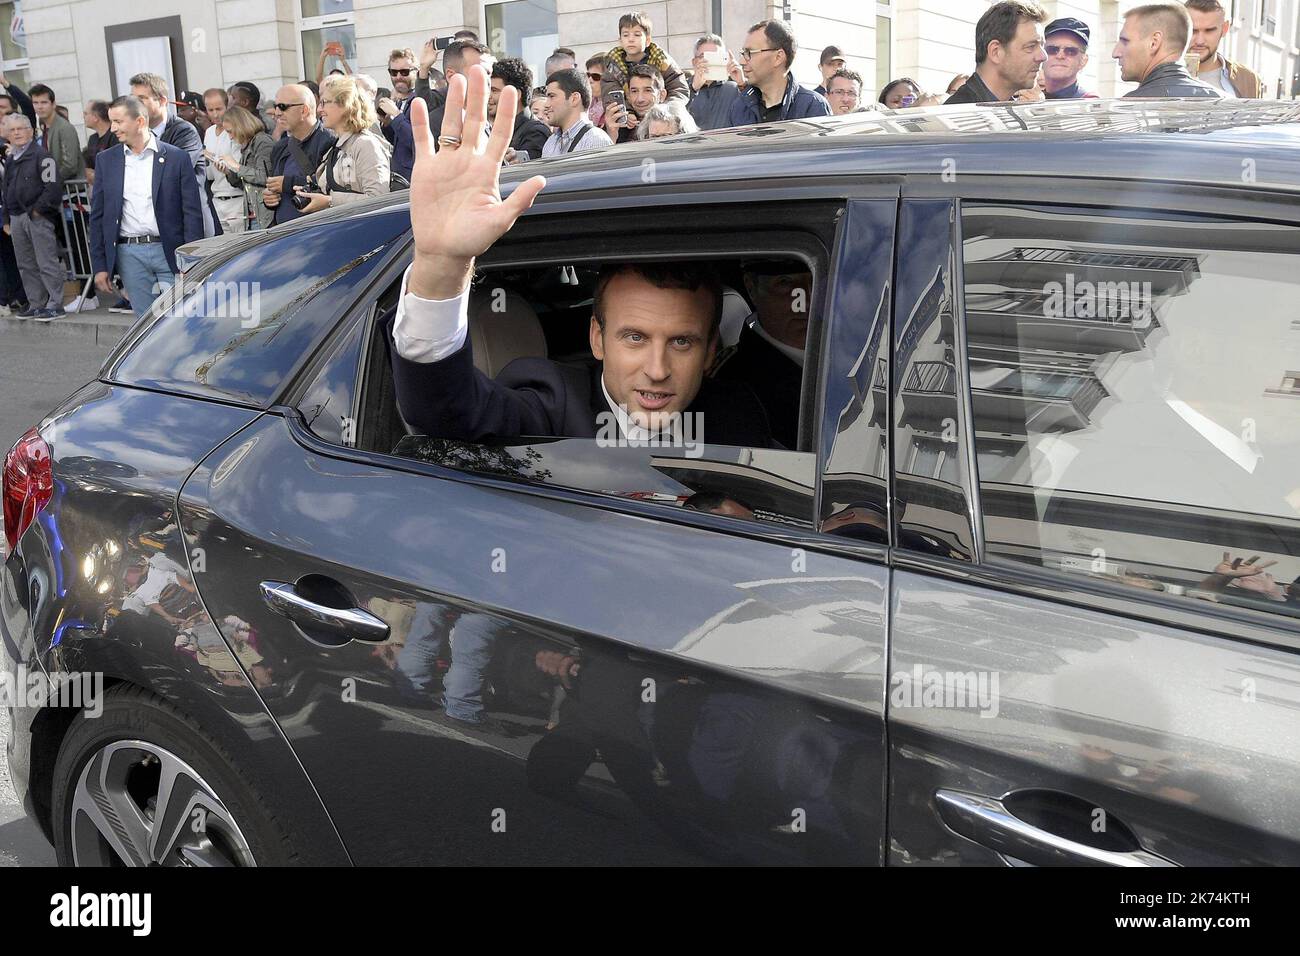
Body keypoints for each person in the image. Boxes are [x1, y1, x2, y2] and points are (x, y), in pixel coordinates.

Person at [389, 66, 772, 451]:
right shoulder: (553, 405)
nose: (657, 370)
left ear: (710, 353)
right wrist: (442, 268)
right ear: (597, 338)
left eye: (682, 343)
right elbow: (446, 411)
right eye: (635, 338)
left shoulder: (735, 415)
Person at [88, 95, 204, 319]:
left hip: (170, 250)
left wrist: (190, 259)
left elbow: (191, 213)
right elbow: (98, 216)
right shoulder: (106, 160)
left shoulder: (176, 157)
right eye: (111, 122)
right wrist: (100, 265)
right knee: (145, 323)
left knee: (181, 317)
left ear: (140, 121)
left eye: (118, 122)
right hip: (129, 254)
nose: (113, 129)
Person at [712, 262, 811, 449]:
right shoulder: (733, 388)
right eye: (785, 282)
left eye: (814, 280)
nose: (805, 299)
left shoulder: (850, 346)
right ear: (751, 288)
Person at [130, 72, 218, 237]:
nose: (134, 105)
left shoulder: (184, 131)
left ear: (162, 100)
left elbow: (171, 173)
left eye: (141, 99)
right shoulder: (133, 134)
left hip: (189, 225)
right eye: (132, 99)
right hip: (159, 228)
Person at [292, 75, 391, 214]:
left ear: (345, 104)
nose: (319, 110)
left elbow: (378, 199)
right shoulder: (336, 147)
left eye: (324, 103)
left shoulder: (365, 144)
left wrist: (330, 201)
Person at [1, 114, 65, 320]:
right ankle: (37, 304)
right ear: (7, 134)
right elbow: (6, 189)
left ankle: (55, 304)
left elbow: (53, 187)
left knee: (46, 261)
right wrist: (6, 219)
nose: (17, 133)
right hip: (16, 218)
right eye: (13, 130)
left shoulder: (42, 156)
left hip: (37, 216)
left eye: (21, 128)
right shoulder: (11, 159)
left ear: (31, 131)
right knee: (25, 263)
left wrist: (37, 211)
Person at [728, 19, 832, 126]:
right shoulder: (740, 108)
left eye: (749, 53)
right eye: (743, 53)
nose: (742, 61)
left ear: (778, 57)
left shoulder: (812, 107)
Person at [946, 1, 1048, 104]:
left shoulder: (1015, 109)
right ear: (995, 52)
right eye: (1030, 46)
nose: (1043, 56)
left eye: (1042, 46)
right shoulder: (957, 114)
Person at [1115, 2, 1223, 98]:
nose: (1115, 53)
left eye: (1125, 41)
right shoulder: (1224, 103)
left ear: (1154, 43)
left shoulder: (1126, 110)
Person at [263, 84, 335, 226]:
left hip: (318, 230)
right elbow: (276, 189)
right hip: (285, 234)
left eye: (283, 107)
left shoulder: (329, 141)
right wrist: (270, 199)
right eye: (275, 106)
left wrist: (287, 183)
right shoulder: (280, 147)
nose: (277, 112)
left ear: (304, 110)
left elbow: (331, 187)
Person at [1185, 0, 1263, 97]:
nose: (1200, 41)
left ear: (1225, 28)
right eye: (1193, 30)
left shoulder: (1248, 79)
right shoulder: (1161, 74)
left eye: (1209, 31)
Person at [605, 11, 689, 102]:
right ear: (620, 41)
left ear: (648, 40)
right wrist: (629, 113)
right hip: (627, 114)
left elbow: (679, 90)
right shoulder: (613, 66)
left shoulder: (662, 61)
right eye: (626, 35)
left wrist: (665, 110)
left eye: (637, 35)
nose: (630, 39)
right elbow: (610, 94)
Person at [216, 105, 275, 230]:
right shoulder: (247, 145)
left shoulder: (262, 142)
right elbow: (243, 182)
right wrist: (227, 172)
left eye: (230, 131)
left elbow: (265, 177)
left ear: (240, 126)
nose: (230, 137)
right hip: (253, 215)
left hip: (266, 215)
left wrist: (237, 166)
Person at [200, 88, 245, 234]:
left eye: (219, 109)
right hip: (217, 199)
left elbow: (239, 166)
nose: (215, 114)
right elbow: (210, 175)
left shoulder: (235, 130)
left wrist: (215, 158)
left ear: (227, 107)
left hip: (237, 199)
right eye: (210, 109)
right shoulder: (209, 132)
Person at [540, 68, 612, 157]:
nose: (546, 105)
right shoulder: (551, 142)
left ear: (574, 99)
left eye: (552, 96)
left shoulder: (596, 140)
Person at [490, 58, 549, 163]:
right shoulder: (492, 129)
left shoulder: (536, 133)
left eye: (494, 91)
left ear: (516, 94)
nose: (488, 97)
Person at [28, 83, 84, 181]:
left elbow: (70, 166)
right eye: (35, 103)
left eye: (44, 102)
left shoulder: (64, 127)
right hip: (58, 190)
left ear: (53, 104)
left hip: (72, 192)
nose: (39, 107)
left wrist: (49, 181)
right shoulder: (46, 127)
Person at [687, 34, 742, 131]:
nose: (709, 62)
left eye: (715, 57)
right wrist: (693, 89)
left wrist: (742, 83)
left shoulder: (734, 89)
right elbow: (675, 118)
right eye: (704, 56)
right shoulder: (682, 88)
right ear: (694, 62)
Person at [605, 64, 665, 143]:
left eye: (648, 90)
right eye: (634, 91)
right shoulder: (620, 126)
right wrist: (611, 133)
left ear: (662, 95)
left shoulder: (673, 126)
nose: (640, 99)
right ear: (628, 96)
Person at [1042, 18, 1099, 98]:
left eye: (1070, 51)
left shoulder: (1089, 103)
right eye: (1052, 49)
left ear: (1084, 61)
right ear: (1041, 55)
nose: (1060, 56)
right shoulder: (1027, 98)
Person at [82, 100, 116, 181]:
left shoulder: (115, 136)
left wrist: (97, 175)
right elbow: (88, 166)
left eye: (86, 114)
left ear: (95, 117)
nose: (83, 117)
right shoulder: (92, 139)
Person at [585, 54, 609, 126]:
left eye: (596, 76)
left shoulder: (615, 105)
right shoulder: (586, 103)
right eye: (588, 75)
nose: (590, 80)